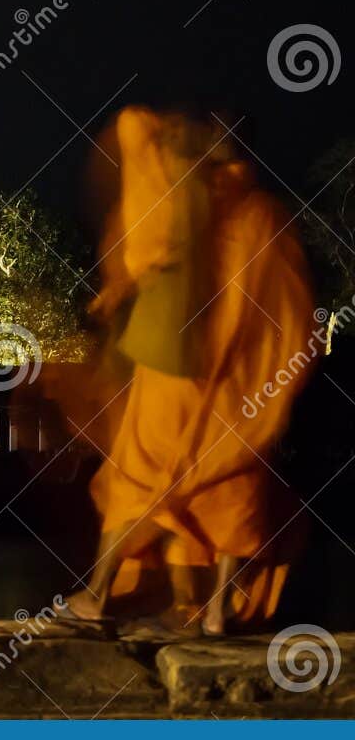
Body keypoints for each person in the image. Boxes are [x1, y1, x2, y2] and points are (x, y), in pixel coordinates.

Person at [60, 107, 315, 634]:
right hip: (240, 384)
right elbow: (292, 316)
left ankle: (97, 593)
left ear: (213, 143)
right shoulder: (267, 215)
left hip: (177, 377)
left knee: (140, 472)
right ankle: (216, 610)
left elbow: (132, 129)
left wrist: (175, 139)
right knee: (229, 485)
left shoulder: (186, 195)